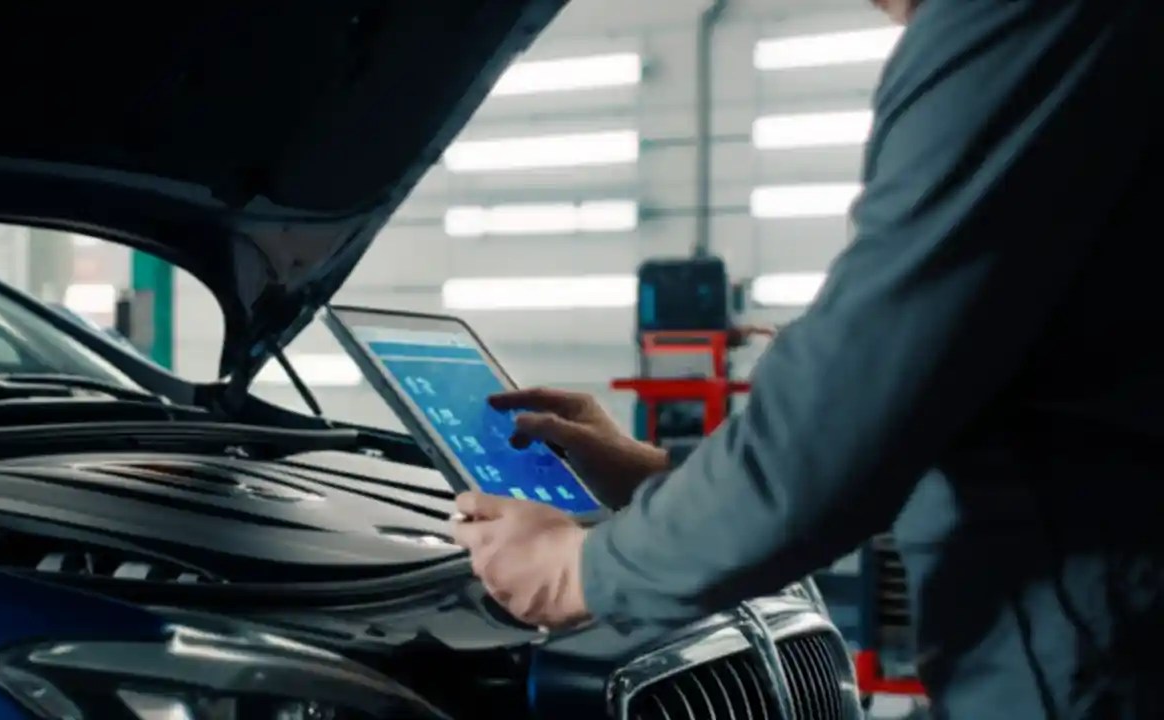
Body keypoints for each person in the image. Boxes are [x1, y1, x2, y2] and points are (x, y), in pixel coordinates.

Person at [450, 0, 1164, 717]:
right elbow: (930, 401)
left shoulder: (1018, 19)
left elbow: (859, 389)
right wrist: (661, 482)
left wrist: (582, 571)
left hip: (1098, 658)